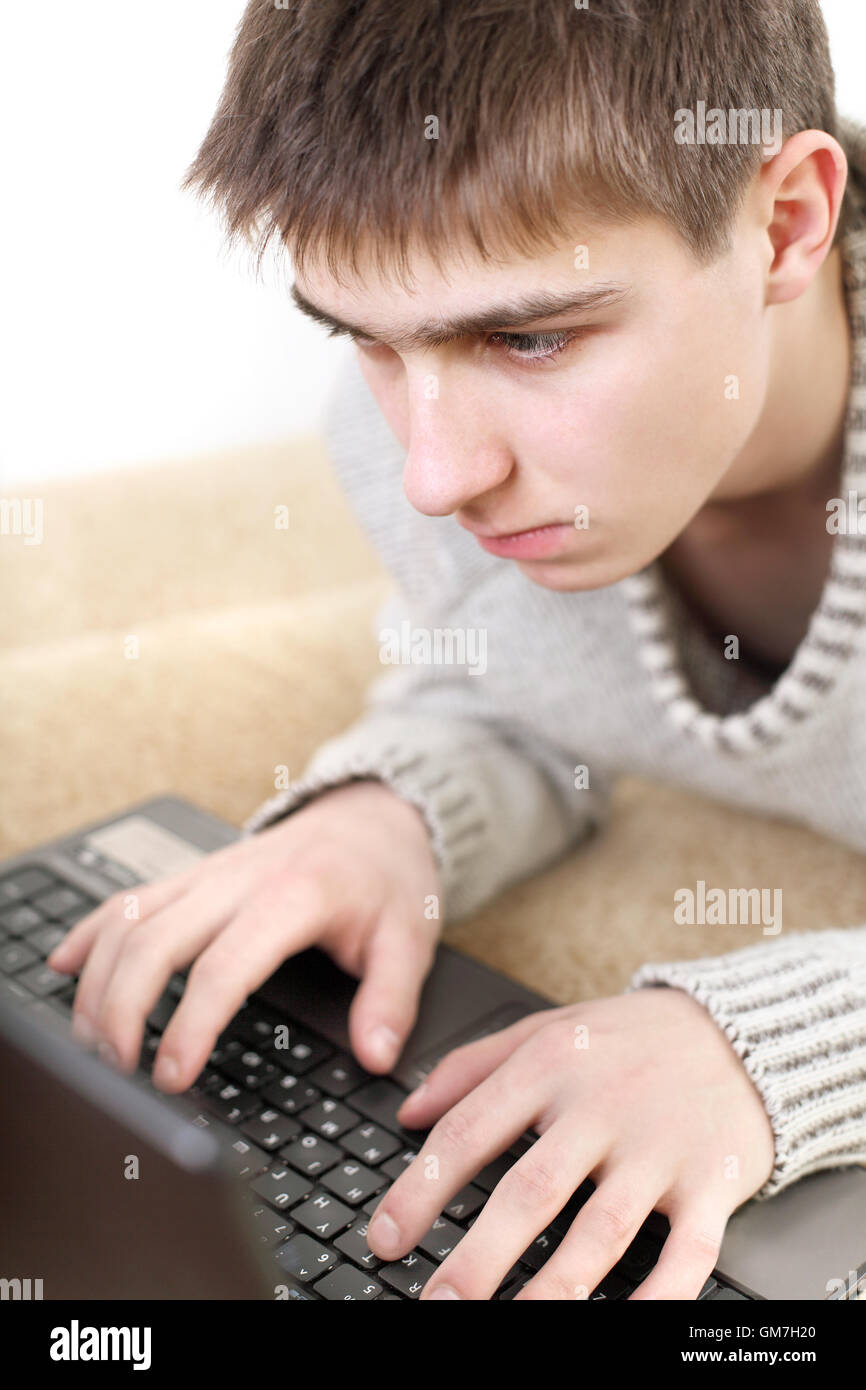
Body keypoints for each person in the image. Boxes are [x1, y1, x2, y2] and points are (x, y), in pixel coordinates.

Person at [49, 0, 866, 1300]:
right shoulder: (395, 438)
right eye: (363, 337)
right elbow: (514, 686)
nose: (434, 471)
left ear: (783, 221)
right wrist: (388, 814)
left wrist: (766, 1044)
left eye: (528, 337)